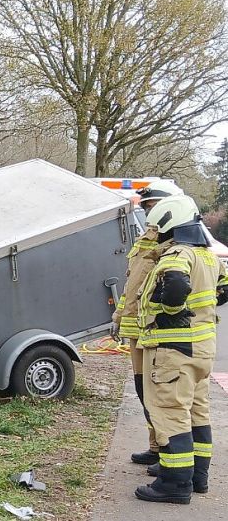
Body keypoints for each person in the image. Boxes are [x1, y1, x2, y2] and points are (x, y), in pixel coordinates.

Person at [134, 195, 228, 504]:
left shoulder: (177, 253)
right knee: (197, 411)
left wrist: (167, 310)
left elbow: (175, 284)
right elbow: (223, 289)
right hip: (201, 349)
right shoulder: (209, 256)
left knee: (171, 411)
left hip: (173, 349)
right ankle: (197, 477)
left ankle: (174, 484)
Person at [112, 180, 184, 467]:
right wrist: (118, 317)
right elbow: (133, 285)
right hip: (135, 329)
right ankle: (155, 446)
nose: (149, 212)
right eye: (147, 207)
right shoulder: (147, 238)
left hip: (153, 330)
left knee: (158, 394)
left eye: (152, 206)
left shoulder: (173, 243)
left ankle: (167, 451)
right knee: (144, 392)